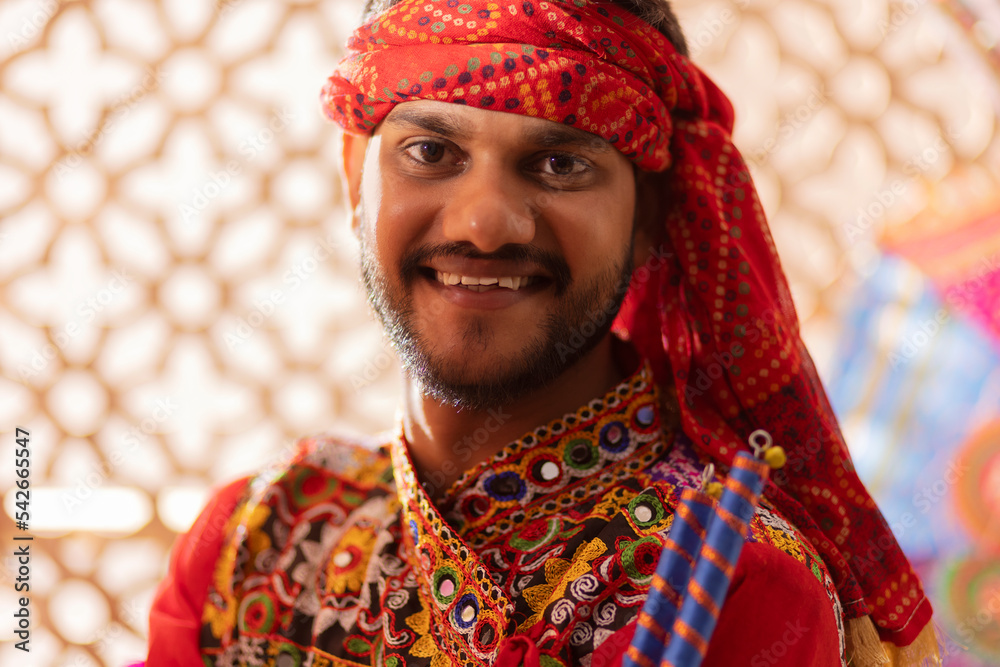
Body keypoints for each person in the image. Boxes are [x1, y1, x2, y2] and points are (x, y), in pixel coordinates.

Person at [142, 0, 942, 665]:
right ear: (356, 176)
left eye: (560, 164)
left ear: (649, 216)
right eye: (429, 150)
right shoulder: (255, 543)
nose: (486, 223)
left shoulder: (730, 582)